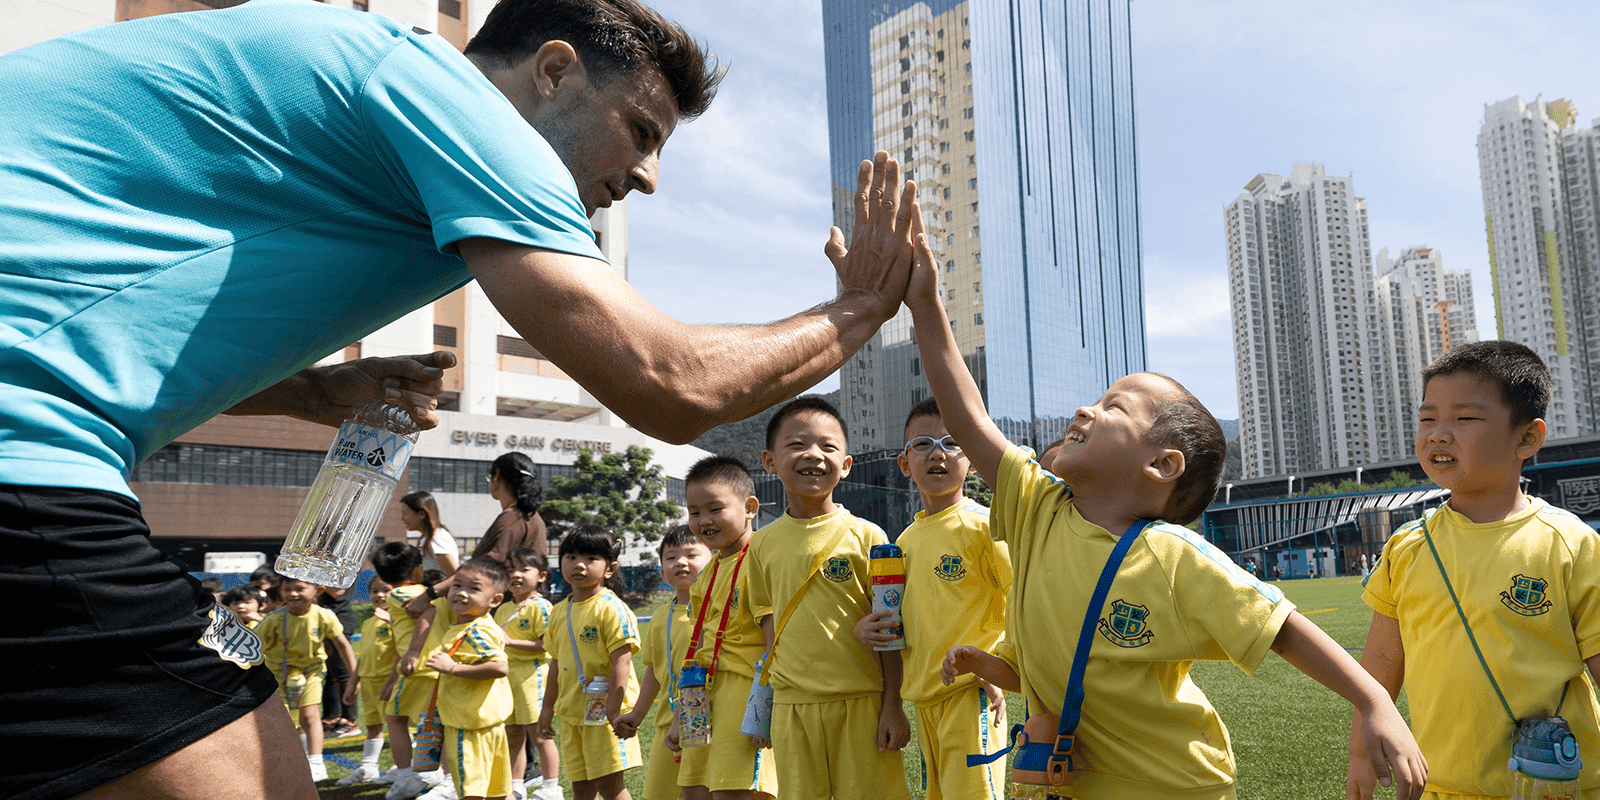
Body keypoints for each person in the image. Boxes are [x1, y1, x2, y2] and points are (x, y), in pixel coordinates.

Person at [0, 0, 923, 794]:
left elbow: (98, 307)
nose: (647, 176)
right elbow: (672, 385)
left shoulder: (349, 81)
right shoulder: (452, 99)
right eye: (642, 132)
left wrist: (313, 391)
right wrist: (860, 308)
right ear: (553, 72)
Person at [901, 224, 1427, 799]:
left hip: (1173, 785)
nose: (1085, 410)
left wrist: (1373, 701)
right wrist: (925, 304)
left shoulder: (1174, 557)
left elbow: (1282, 630)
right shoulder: (1036, 510)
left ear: (1162, 464)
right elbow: (968, 418)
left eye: (1114, 406)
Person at [1349, 341, 1600, 800]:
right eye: (1428, 419)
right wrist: (1361, 754)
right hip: (1440, 785)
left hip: (1554, 785)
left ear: (1527, 438)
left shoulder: (1570, 543)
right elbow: (1381, 663)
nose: (1438, 435)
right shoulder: (1407, 547)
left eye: (1465, 418)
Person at [745, 398, 913, 800]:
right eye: (797, 444)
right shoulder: (761, 544)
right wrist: (766, 707)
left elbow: (889, 630)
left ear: (847, 464)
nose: (813, 455)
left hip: (861, 702)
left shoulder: (868, 536)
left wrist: (892, 704)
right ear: (769, 461)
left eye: (828, 446)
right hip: (792, 708)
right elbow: (770, 633)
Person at [855, 398, 1012, 800]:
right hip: (924, 701)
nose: (938, 453)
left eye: (951, 443)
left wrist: (997, 665)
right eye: (922, 444)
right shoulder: (904, 541)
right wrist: (870, 628)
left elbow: (1022, 600)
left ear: (972, 460)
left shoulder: (985, 526)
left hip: (968, 695)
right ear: (905, 463)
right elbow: (902, 620)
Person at [675, 455, 781, 800]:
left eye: (715, 509)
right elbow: (700, 644)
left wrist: (764, 710)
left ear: (750, 508)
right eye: (694, 512)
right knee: (694, 790)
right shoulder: (707, 572)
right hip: (703, 695)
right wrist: (680, 715)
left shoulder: (760, 560)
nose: (703, 520)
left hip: (744, 694)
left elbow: (774, 642)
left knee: (733, 792)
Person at [540, 526, 643, 800]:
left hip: (605, 715)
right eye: (571, 557)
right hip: (572, 714)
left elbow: (622, 663)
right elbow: (555, 663)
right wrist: (547, 707)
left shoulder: (611, 608)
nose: (579, 565)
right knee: (581, 788)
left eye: (590, 558)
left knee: (610, 786)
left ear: (610, 569)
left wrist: (613, 710)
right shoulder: (559, 611)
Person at [615, 526, 711, 800]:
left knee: (701, 794)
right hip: (666, 724)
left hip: (707, 724)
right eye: (671, 558)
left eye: (691, 555)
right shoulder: (660, 616)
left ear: (713, 563)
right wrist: (637, 714)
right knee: (657, 793)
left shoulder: (715, 611)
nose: (680, 562)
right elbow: (655, 671)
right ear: (662, 573)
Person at [429, 557, 517, 800]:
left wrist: (453, 668)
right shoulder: (480, 625)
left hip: (468, 728)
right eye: (457, 585)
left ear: (495, 600)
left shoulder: (475, 631)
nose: (461, 593)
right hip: (488, 725)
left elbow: (499, 667)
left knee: (472, 792)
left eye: (474, 588)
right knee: (499, 793)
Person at [257, 577, 359, 782]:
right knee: (282, 718)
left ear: (318, 590)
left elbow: (343, 646)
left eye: (300, 588)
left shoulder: (324, 616)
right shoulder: (273, 620)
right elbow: (254, 647)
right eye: (287, 589)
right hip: (277, 675)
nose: (293, 593)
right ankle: (286, 761)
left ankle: (316, 762)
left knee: (310, 716)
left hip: (310, 672)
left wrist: (355, 677)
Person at [496, 547, 561, 800]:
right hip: (507, 678)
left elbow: (547, 645)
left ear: (541, 576)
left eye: (524, 569)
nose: (516, 575)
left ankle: (551, 787)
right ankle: (516, 784)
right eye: (510, 570)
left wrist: (510, 642)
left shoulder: (541, 606)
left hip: (532, 676)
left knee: (540, 735)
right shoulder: (503, 608)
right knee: (512, 735)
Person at [372, 542, 435, 798]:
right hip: (433, 667)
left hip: (417, 669)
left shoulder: (399, 595)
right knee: (434, 723)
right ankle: (434, 773)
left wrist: (414, 652)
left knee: (395, 719)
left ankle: (407, 775)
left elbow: (428, 613)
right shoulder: (427, 592)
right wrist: (391, 679)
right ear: (418, 569)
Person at [339, 575, 397, 786]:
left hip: (391, 681)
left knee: (398, 726)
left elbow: (406, 647)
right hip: (369, 683)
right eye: (375, 591)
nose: (380, 595)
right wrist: (352, 682)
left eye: (386, 590)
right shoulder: (368, 622)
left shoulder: (400, 619)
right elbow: (363, 656)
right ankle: (368, 767)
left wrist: (391, 621)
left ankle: (402, 767)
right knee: (373, 725)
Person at [403, 491, 460, 577]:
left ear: (421, 514)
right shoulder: (427, 537)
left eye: (405, 514)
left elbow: (456, 576)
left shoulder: (437, 537)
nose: (402, 518)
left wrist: (433, 588)